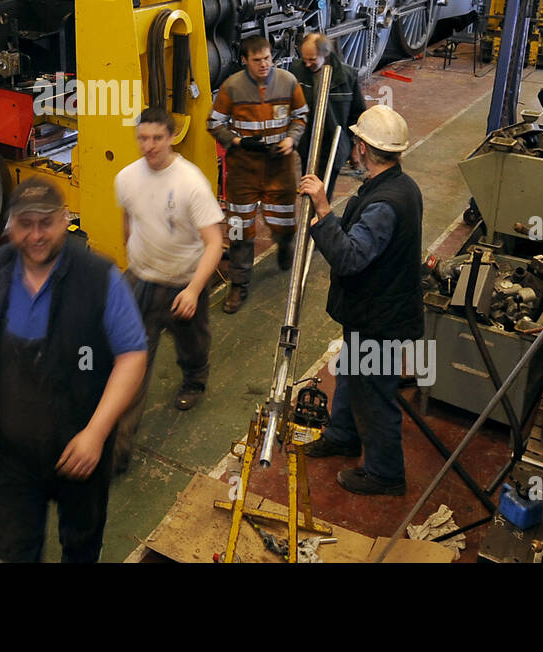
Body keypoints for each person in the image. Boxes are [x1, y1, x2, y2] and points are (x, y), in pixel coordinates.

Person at [0, 177, 147, 562]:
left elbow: (132, 356)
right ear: (10, 225)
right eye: (25, 224)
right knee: (12, 552)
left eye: (46, 222)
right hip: (8, 457)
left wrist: (96, 433)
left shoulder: (99, 277)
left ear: (64, 220)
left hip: (81, 452)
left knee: (81, 544)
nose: (36, 234)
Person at [297, 105, 423, 497]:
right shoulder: (399, 186)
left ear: (364, 149)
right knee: (351, 374)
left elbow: (350, 258)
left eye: (357, 142)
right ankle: (342, 435)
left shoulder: (385, 203)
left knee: (374, 395)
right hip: (371, 311)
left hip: (380, 321)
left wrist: (322, 208)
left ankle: (386, 474)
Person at [111, 106, 224, 474]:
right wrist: (134, 262)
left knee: (192, 345)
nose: (149, 146)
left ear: (172, 137)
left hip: (182, 285)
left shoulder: (191, 183)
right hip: (140, 282)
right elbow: (130, 220)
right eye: (143, 138)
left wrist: (193, 290)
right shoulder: (127, 178)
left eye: (157, 138)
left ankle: (195, 379)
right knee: (132, 366)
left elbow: (215, 243)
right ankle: (117, 452)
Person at [208, 35, 308, 312]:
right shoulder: (232, 88)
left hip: (280, 167)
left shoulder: (287, 82)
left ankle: (285, 241)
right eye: (257, 60)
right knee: (240, 230)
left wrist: (291, 140)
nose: (264, 64)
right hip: (244, 169)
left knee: (283, 220)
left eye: (267, 59)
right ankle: (238, 286)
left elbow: (301, 115)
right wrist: (238, 141)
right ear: (245, 61)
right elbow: (214, 123)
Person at [288, 32, 367, 189]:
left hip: (333, 146)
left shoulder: (346, 77)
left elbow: (357, 115)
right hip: (306, 144)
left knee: (323, 192)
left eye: (312, 59)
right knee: (308, 187)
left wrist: (356, 148)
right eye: (304, 59)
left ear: (325, 53)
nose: (307, 64)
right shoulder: (298, 71)